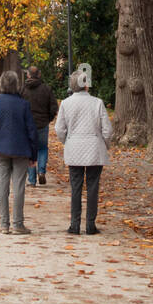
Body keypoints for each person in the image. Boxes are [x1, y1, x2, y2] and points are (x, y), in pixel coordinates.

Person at [0, 70, 39, 235]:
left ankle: (4, 224)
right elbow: (32, 131)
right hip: (21, 150)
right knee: (19, 187)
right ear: (16, 85)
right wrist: (34, 156)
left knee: (2, 186)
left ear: (1, 84)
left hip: (1, 149)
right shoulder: (24, 104)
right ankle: (18, 224)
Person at [55, 67, 112, 235]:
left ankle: (74, 224)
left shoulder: (66, 103)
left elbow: (59, 128)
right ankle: (90, 225)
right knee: (93, 187)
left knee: (76, 187)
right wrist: (105, 144)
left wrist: (67, 141)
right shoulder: (97, 103)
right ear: (86, 85)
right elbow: (107, 130)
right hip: (94, 148)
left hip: (74, 148)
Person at [21, 66, 59, 186]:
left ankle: (32, 179)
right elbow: (54, 107)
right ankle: (41, 171)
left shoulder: (23, 90)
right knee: (42, 149)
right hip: (42, 124)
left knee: (29, 151)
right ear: (39, 74)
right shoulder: (46, 89)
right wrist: (48, 119)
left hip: (27, 126)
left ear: (28, 75)